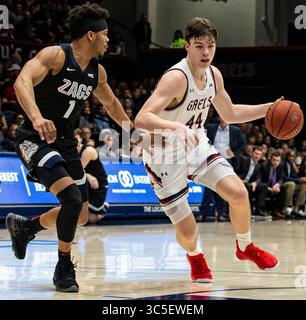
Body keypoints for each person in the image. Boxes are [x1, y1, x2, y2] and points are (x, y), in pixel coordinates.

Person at [135, 17, 279, 283]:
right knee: (188, 231)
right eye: (199, 46)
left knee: (238, 192)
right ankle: (195, 255)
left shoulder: (214, 75)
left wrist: (267, 109)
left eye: (210, 46)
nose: (206, 52)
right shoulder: (176, 79)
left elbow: (231, 112)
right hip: (164, 155)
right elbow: (141, 119)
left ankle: (245, 247)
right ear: (187, 46)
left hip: (196, 144)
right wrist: (174, 127)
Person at [5, 3, 133, 292]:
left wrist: (130, 130)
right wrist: (37, 118)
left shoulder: (96, 72)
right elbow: (23, 80)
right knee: (72, 200)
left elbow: (111, 103)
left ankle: (26, 228)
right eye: (105, 34)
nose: (109, 39)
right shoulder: (55, 55)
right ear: (90, 35)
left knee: (82, 215)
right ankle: (63, 267)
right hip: (35, 137)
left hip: (66, 142)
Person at [197, 117, 246, 222]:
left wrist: (234, 153)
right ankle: (203, 214)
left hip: (226, 161)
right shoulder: (211, 128)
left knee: (224, 188)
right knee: (208, 188)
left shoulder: (235, 130)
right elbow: (203, 140)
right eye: (222, 117)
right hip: (211, 160)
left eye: (226, 117)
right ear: (219, 118)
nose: (224, 119)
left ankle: (222, 213)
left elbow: (242, 145)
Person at [75, 129, 109, 224]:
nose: (74, 141)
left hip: (99, 183)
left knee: (92, 220)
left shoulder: (88, 150)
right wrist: (88, 176)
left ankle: (103, 208)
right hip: (85, 181)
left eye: (76, 139)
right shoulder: (70, 151)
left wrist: (88, 176)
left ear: (81, 139)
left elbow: (77, 172)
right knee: (83, 218)